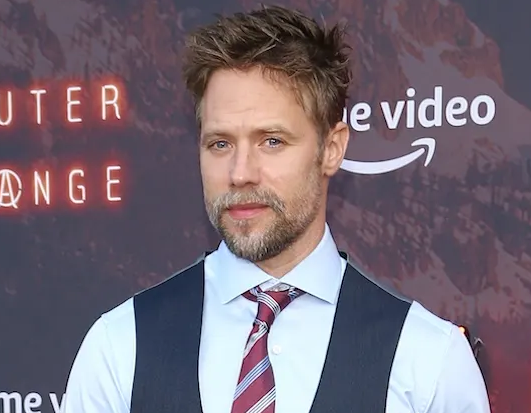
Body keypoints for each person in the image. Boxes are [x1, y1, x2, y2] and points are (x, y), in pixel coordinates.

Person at [62, 5, 491, 413]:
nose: (240, 173)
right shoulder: (120, 347)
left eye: (272, 141)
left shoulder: (428, 362)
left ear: (332, 148)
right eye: (220, 143)